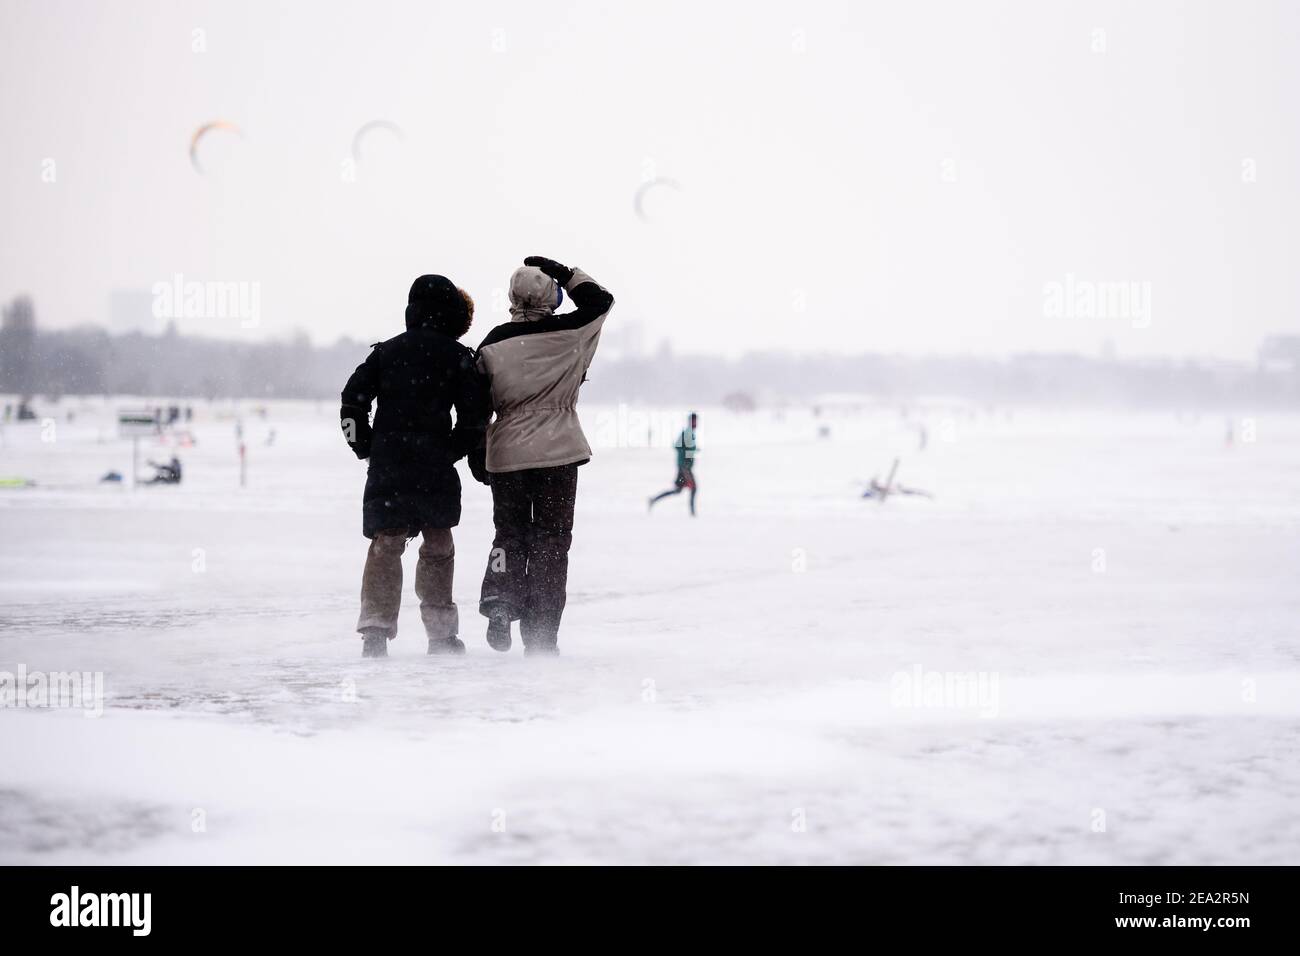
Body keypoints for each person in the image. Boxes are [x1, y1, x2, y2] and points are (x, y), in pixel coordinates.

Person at [471, 255, 614, 656]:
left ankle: (500, 601)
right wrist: (567, 274)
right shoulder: (572, 331)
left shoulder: (492, 343)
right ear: (551, 297)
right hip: (559, 452)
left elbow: (476, 406)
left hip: (507, 454)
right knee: (552, 540)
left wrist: (477, 451)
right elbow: (601, 301)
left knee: (510, 533)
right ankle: (541, 634)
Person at [340, 275, 488, 659]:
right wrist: (451, 450)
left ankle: (375, 630)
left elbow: (352, 402)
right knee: (438, 545)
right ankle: (441, 636)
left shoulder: (386, 353)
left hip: (389, 465)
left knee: (386, 545)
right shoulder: (457, 356)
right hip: (434, 467)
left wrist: (365, 446)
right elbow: (475, 416)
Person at [648, 413, 699, 516]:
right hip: (685, 469)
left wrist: (691, 451)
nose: (696, 423)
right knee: (693, 487)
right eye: (694, 421)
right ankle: (693, 514)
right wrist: (685, 460)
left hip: (684, 468)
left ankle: (653, 500)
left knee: (678, 490)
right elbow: (678, 447)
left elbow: (684, 448)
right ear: (690, 421)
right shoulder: (687, 433)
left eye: (696, 421)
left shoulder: (689, 433)